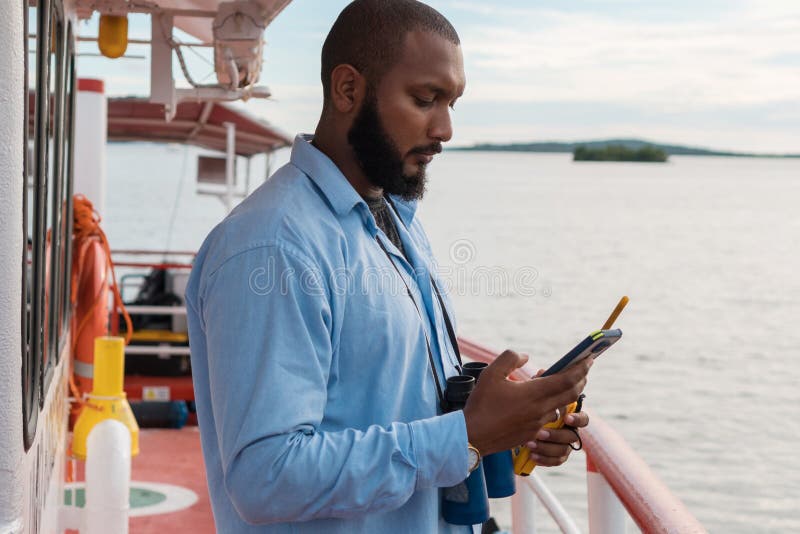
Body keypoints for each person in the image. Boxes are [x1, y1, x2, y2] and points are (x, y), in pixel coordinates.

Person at [185, 1, 591, 532]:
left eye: (452, 103)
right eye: (426, 99)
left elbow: (396, 395)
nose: (445, 128)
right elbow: (267, 478)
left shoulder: (393, 218)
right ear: (348, 89)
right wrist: (465, 436)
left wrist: (512, 419)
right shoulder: (272, 247)